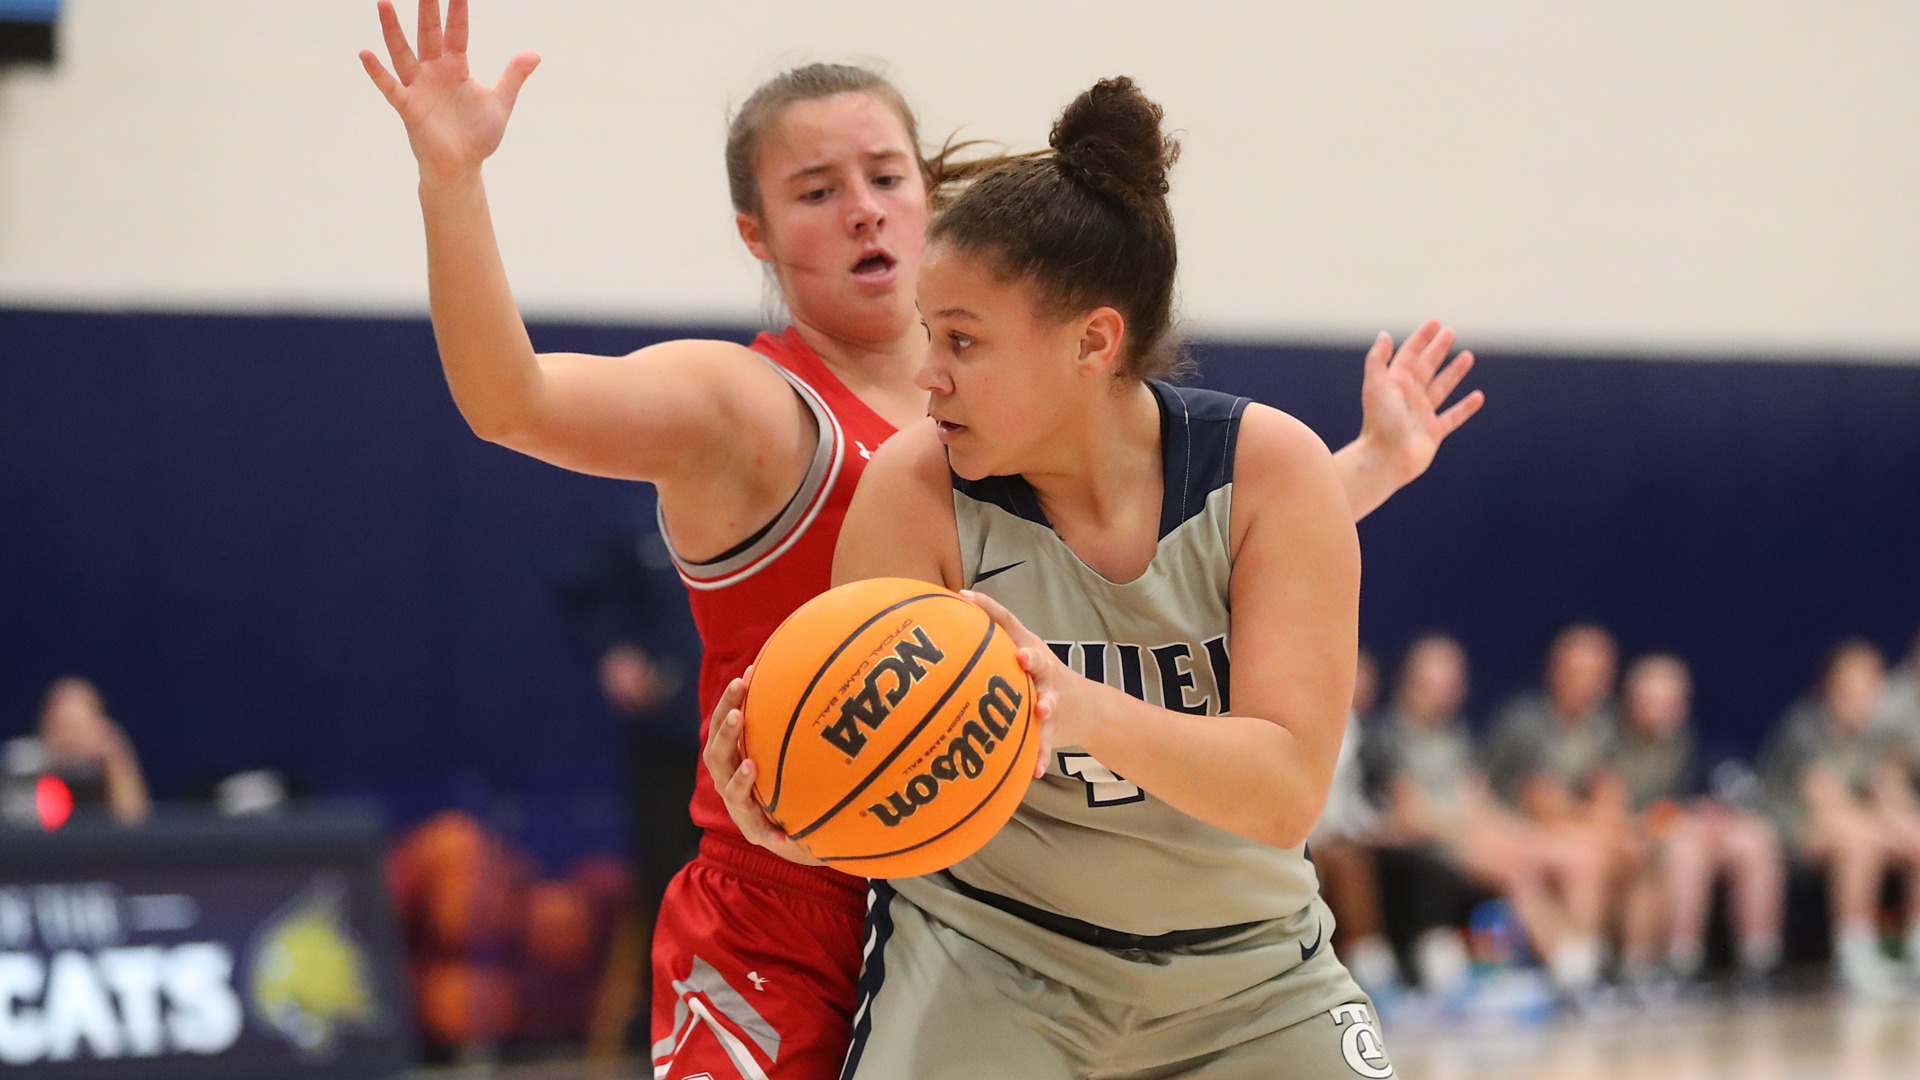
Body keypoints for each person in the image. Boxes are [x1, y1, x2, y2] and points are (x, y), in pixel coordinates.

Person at [360, 5, 1482, 1076]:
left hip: (989, 877)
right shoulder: (753, 408)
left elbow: (1173, 574)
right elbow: (513, 402)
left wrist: (1363, 473)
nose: (862, 208)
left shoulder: (1019, 411)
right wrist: (452, 182)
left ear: (930, 197)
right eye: (815, 189)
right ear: (755, 232)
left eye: (886, 177)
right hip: (801, 871)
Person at [718, 74, 1373, 1077]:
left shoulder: (1270, 469)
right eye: (930, 334)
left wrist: (1074, 707)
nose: (928, 373)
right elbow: (873, 806)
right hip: (994, 960)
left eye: (964, 341)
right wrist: (800, 818)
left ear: (1092, 341)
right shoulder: (916, 487)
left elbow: (1284, 791)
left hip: (1253, 981)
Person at [1370, 634, 1609, 998]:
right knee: (1516, 871)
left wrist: (1522, 836)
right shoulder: (1389, 736)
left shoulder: (1455, 736)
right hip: (1424, 851)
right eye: (1438, 681)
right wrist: (1476, 834)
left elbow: (1479, 803)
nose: (1449, 690)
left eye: (1454, 680)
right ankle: (1572, 971)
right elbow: (1411, 816)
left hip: (1468, 837)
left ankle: (1583, 957)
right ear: (1411, 680)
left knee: (1571, 856)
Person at [1758, 639, 1920, 995]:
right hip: (1789, 829)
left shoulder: (1881, 732)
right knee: (1860, 843)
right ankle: (1855, 957)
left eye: (1870, 688)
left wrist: (1909, 831)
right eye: (1851, 689)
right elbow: (1828, 807)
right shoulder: (1806, 727)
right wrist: (1891, 832)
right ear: (1829, 687)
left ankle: (1914, 951)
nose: (1861, 699)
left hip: (1861, 823)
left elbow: (1892, 794)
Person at [1612, 654, 1785, 986]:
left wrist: (1714, 818)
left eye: (1670, 702)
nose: (1661, 711)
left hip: (1693, 832)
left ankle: (1760, 959)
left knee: (1754, 839)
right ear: (1631, 701)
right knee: (1686, 850)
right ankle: (1681, 962)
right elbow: (1618, 813)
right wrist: (1676, 820)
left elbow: (1723, 795)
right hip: (1642, 839)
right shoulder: (1612, 744)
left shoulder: (1689, 745)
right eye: (1651, 701)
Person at [1308, 649, 1401, 995]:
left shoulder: (1356, 725)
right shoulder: (1316, 716)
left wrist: (1379, 826)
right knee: (1346, 864)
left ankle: (1374, 965)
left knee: (1368, 858)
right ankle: (1366, 968)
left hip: (1335, 832)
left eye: (1367, 678)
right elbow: (1319, 800)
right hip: (1299, 833)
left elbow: (1350, 801)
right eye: (1356, 675)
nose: (1363, 686)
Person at [33, 677, 150, 825]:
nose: (70, 739)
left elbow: (134, 821)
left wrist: (116, 758)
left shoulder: (109, 764)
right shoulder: (27, 766)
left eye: (77, 729)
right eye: (61, 728)